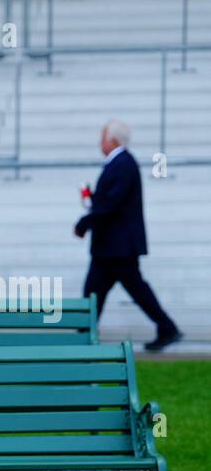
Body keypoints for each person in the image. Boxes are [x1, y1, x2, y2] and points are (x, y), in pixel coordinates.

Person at [75, 119, 182, 352]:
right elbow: (112, 202)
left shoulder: (122, 164)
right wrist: (92, 201)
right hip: (112, 247)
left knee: (112, 291)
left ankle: (167, 328)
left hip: (117, 247)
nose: (100, 142)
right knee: (97, 291)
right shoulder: (121, 164)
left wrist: (86, 221)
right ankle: (84, 334)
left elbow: (113, 204)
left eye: (103, 137)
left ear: (112, 140)